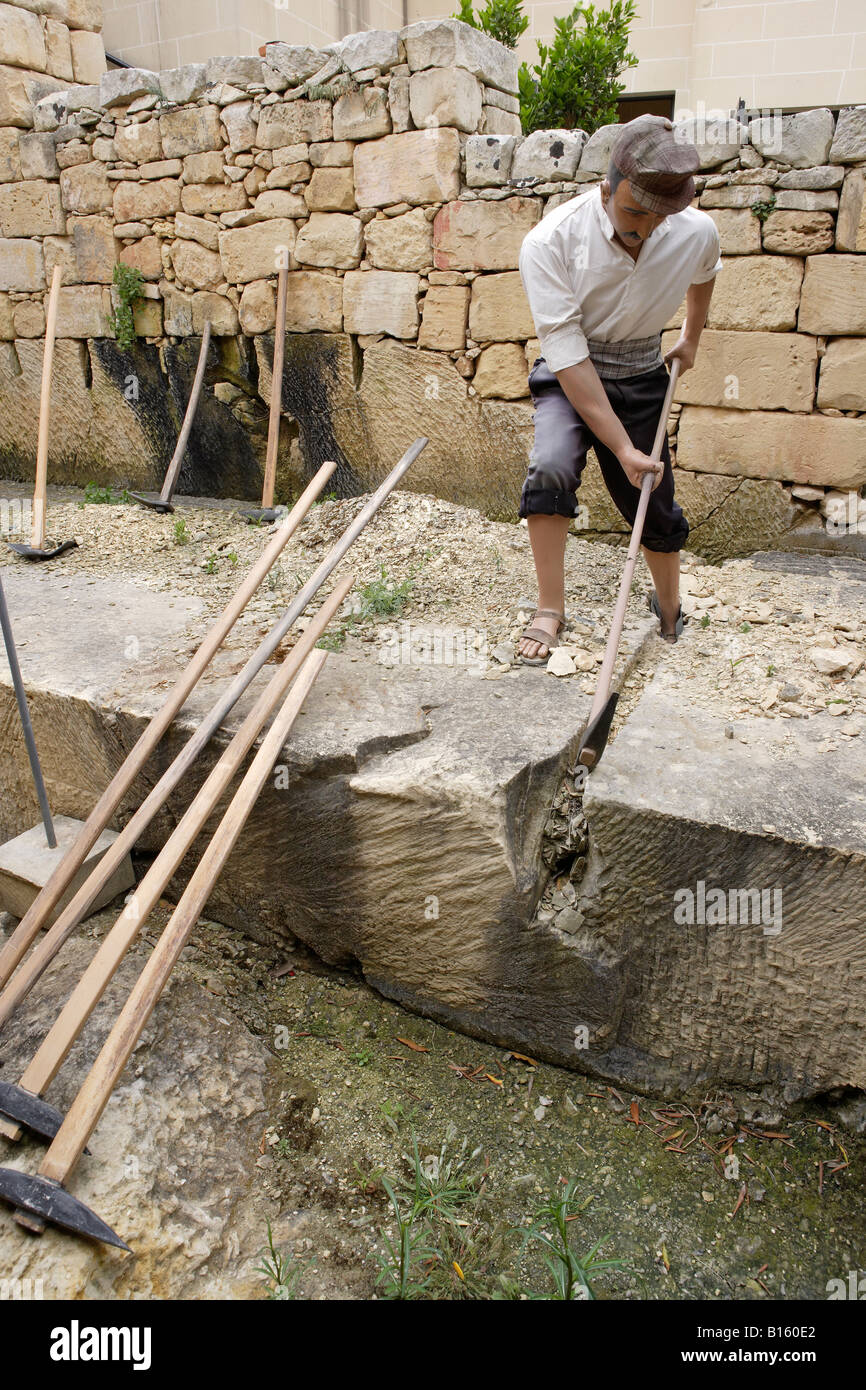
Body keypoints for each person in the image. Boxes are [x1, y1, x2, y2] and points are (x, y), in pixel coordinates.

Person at [515, 113, 722, 662]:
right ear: (605, 188)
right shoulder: (550, 243)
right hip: (572, 373)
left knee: (651, 496)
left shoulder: (695, 231)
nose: (645, 228)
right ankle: (549, 609)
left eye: (660, 216)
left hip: (645, 369)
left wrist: (691, 338)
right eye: (633, 211)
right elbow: (568, 355)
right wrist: (620, 446)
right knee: (553, 466)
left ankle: (669, 603)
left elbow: (704, 273)